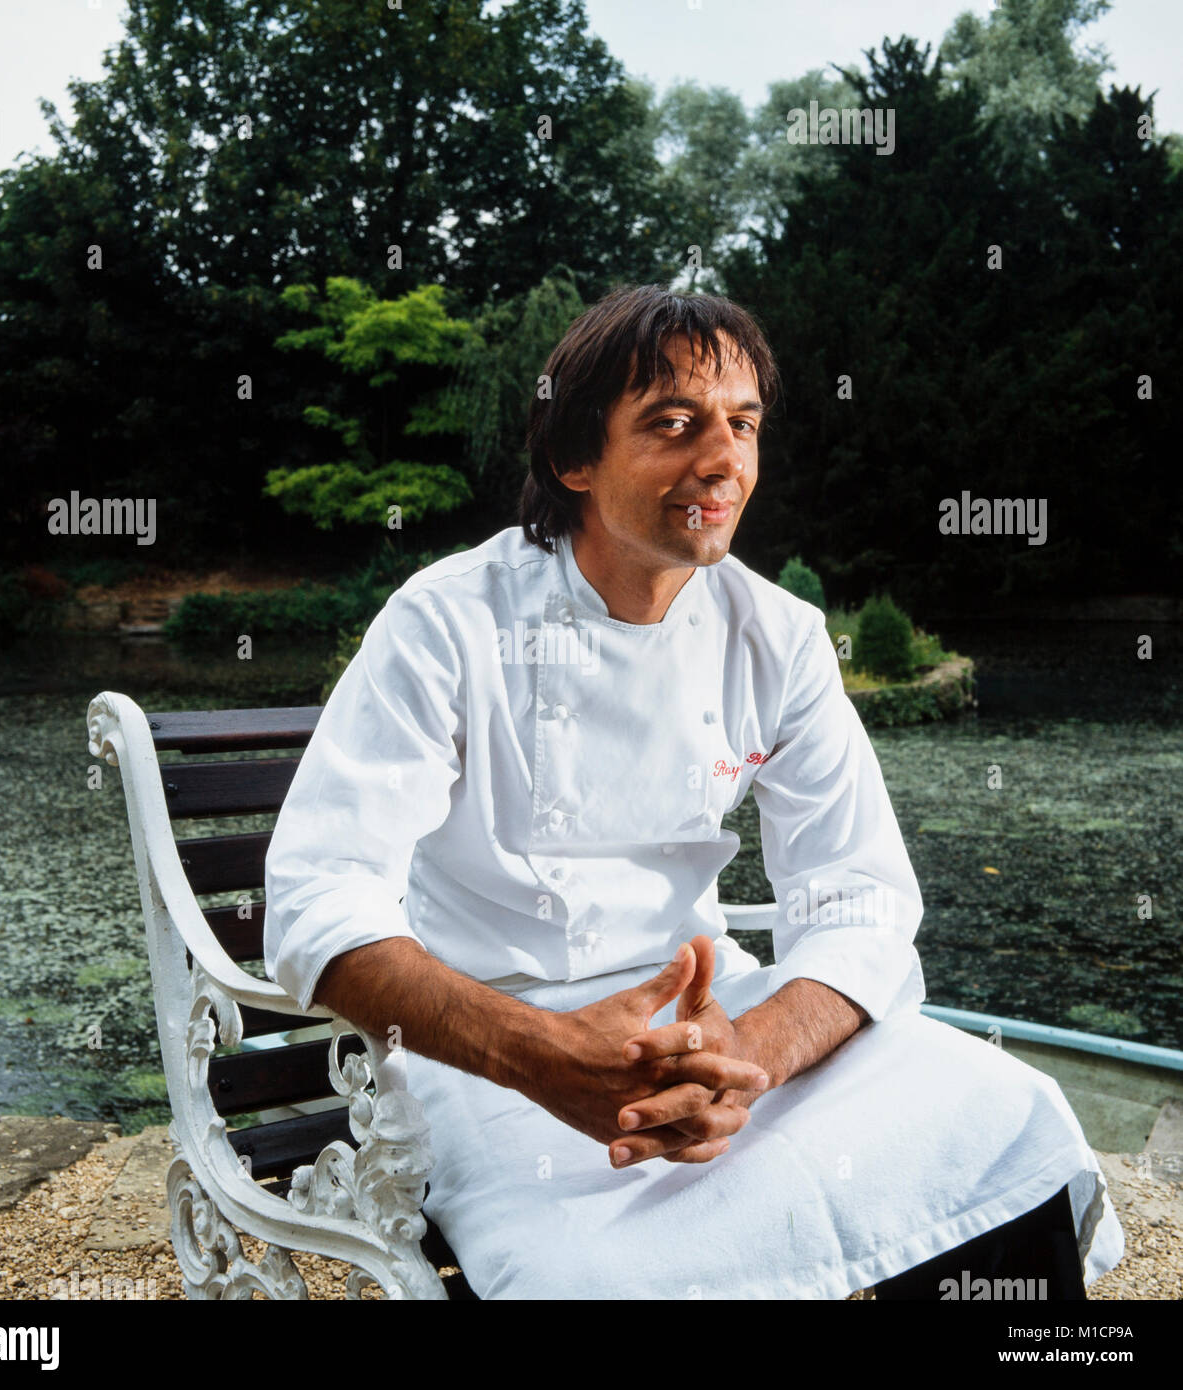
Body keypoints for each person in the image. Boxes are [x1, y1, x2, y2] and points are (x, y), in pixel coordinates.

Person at [264, 284, 1123, 1299]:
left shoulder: (780, 636)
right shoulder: (446, 624)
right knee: (592, 1274)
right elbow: (319, 898)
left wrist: (744, 1053)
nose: (722, 458)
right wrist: (547, 1056)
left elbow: (862, 896)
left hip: (712, 1022)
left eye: (742, 424)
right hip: (489, 1056)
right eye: (673, 423)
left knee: (998, 1113)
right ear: (572, 460)